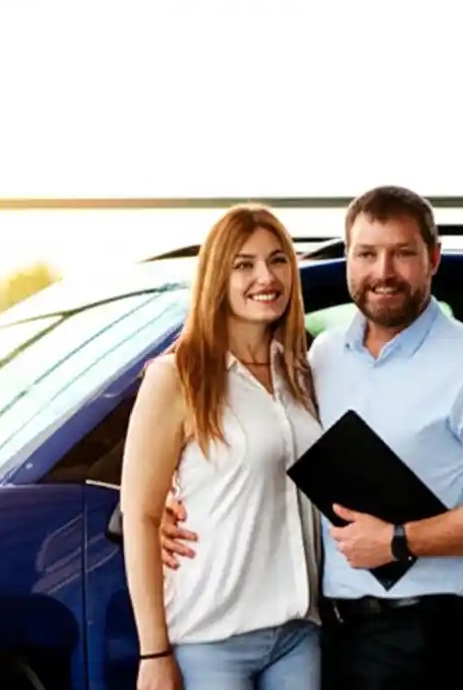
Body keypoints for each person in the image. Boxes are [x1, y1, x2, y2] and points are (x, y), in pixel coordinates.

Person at [159, 185, 463, 690]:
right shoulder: (321, 357)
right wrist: (174, 497)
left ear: (433, 258)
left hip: (422, 640)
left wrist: (398, 540)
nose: (383, 271)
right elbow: (262, 449)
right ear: (348, 260)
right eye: (367, 254)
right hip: (322, 637)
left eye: (402, 253)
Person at [120, 204, 325, 690]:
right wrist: (154, 652)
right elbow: (140, 515)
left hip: (299, 634)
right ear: (217, 277)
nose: (266, 277)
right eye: (244, 264)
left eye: (278, 261)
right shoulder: (176, 378)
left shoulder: (302, 372)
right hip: (210, 640)